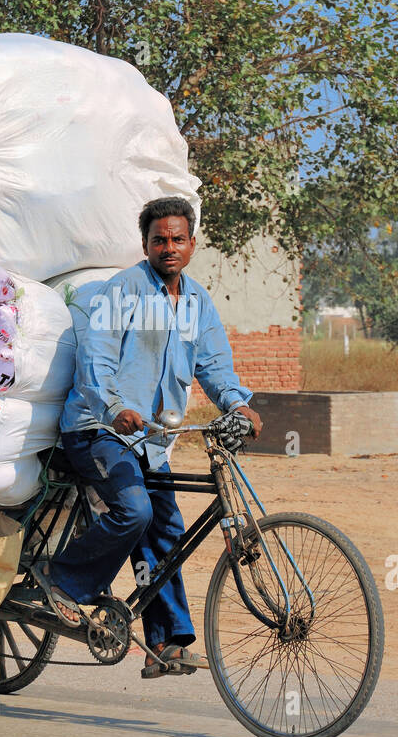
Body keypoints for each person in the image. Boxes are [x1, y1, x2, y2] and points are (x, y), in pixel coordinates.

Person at [34, 196, 263, 678]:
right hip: (97, 432)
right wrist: (115, 408)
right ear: (145, 244)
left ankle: (167, 643)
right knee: (133, 510)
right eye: (159, 239)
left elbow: (216, 366)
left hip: (151, 443)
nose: (169, 247)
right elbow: (95, 362)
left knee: (165, 529)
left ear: (192, 244)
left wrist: (237, 404)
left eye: (178, 238)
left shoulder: (197, 303)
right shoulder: (123, 291)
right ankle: (61, 580)